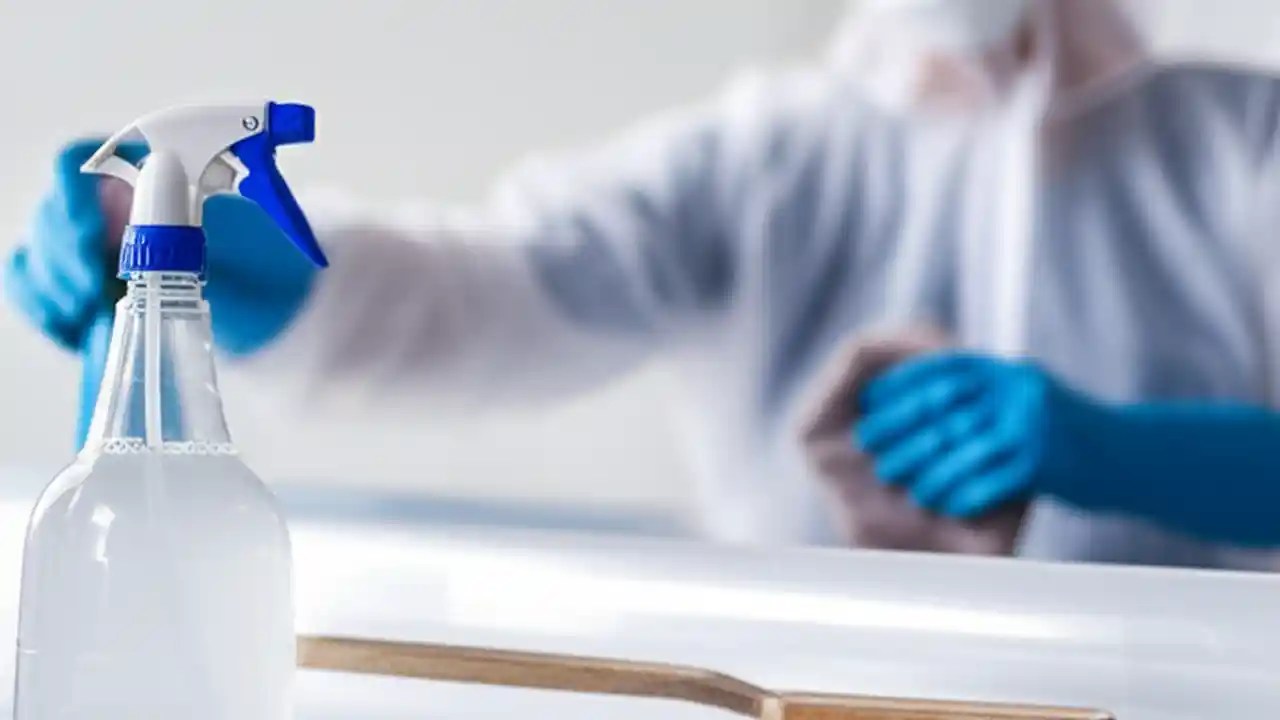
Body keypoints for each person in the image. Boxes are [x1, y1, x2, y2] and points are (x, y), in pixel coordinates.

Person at [7, 0, 1280, 566]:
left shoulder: (1243, 147)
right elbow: (479, 297)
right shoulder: (758, 159)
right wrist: (193, 235)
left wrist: (1116, 451)